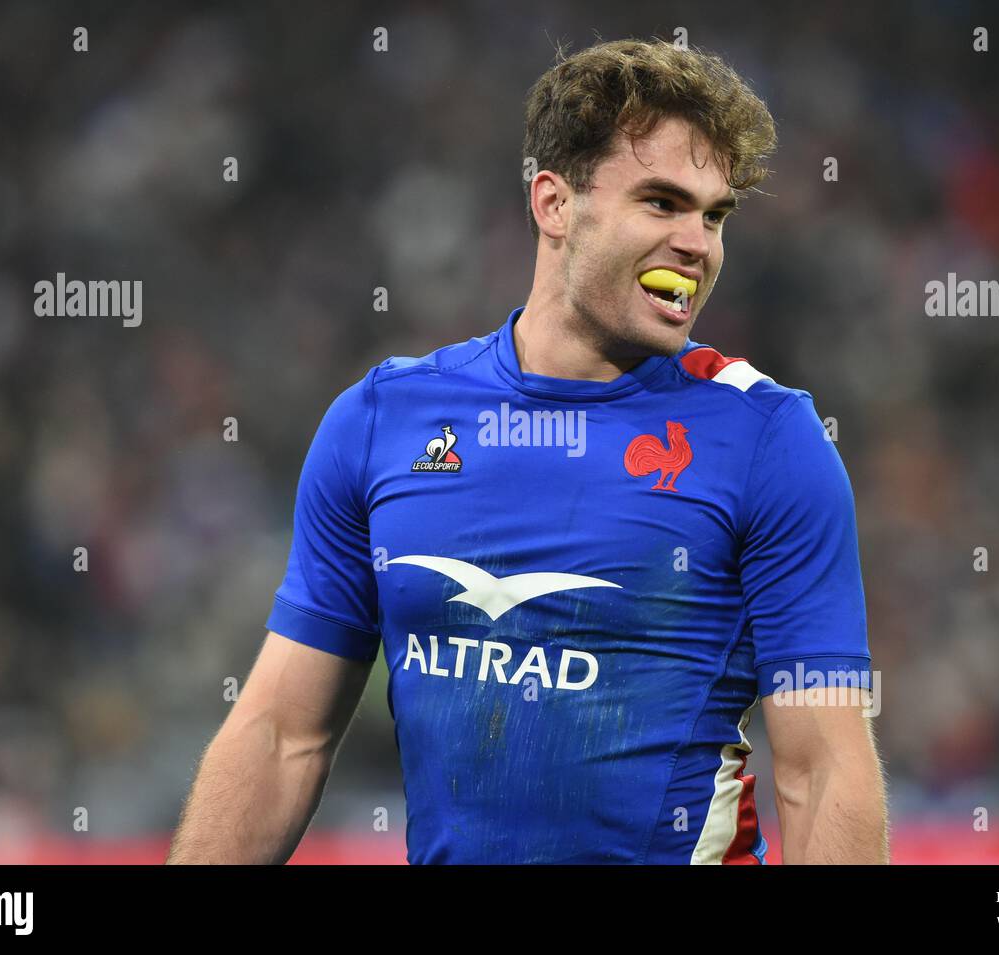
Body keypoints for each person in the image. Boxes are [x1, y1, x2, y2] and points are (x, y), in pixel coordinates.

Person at [168, 37, 888, 865]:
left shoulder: (769, 439)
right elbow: (279, 736)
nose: (698, 243)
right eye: (661, 202)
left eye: (714, 214)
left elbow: (824, 765)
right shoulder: (382, 421)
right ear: (553, 203)